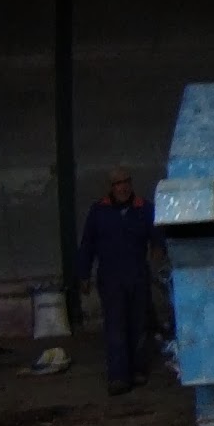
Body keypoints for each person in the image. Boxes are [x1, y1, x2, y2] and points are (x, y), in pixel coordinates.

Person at [77, 166, 162, 395]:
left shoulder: (144, 209)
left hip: (137, 275)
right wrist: (83, 275)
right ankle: (118, 376)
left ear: (131, 183)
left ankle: (138, 370)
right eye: (117, 184)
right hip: (111, 278)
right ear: (111, 187)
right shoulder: (99, 212)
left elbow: (158, 236)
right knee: (115, 326)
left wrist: (158, 251)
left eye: (126, 182)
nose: (122, 187)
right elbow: (87, 245)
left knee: (138, 324)